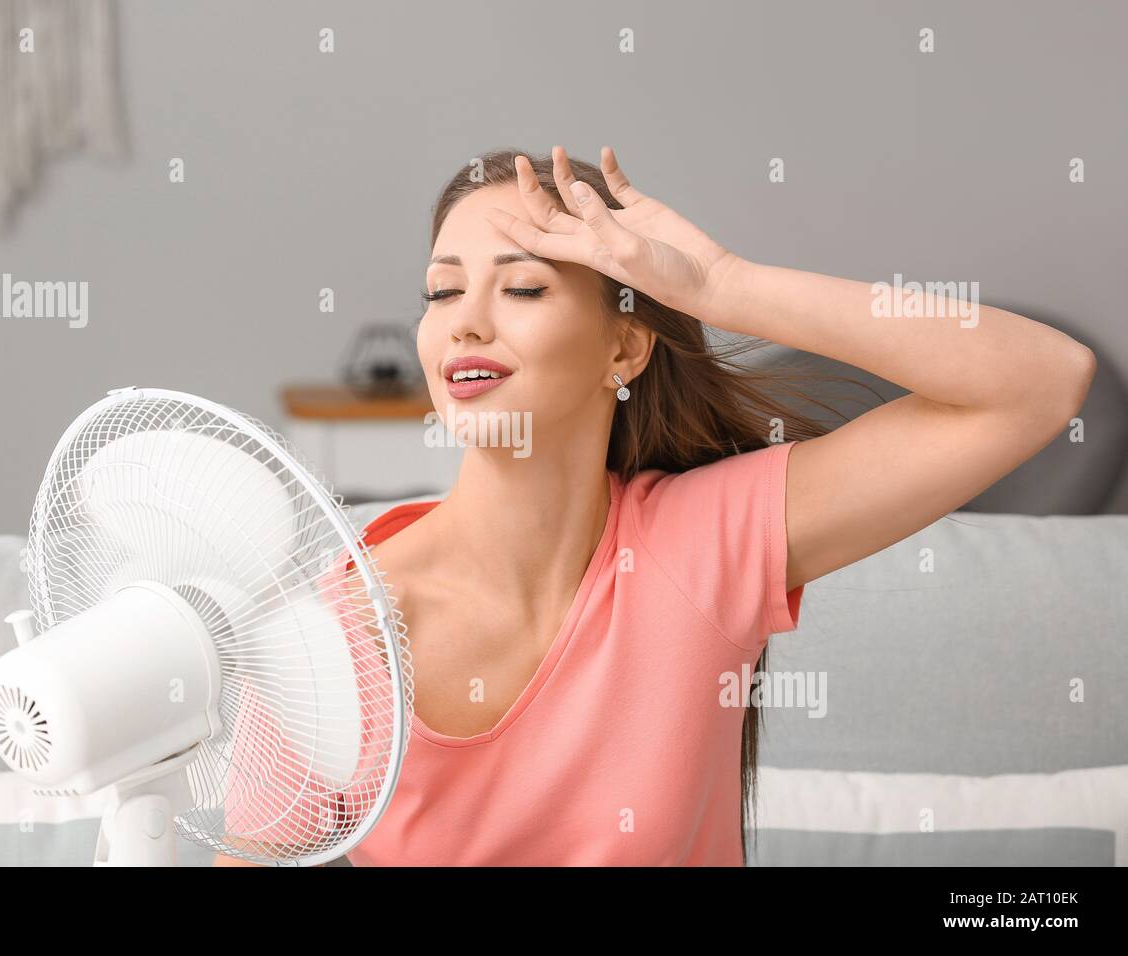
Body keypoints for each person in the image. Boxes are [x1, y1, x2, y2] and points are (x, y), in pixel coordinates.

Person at [215, 145, 1094, 867]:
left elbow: (1043, 384)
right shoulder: (330, 635)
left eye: (522, 288)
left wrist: (719, 283)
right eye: (443, 291)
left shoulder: (706, 542)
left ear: (625, 349)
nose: (466, 324)